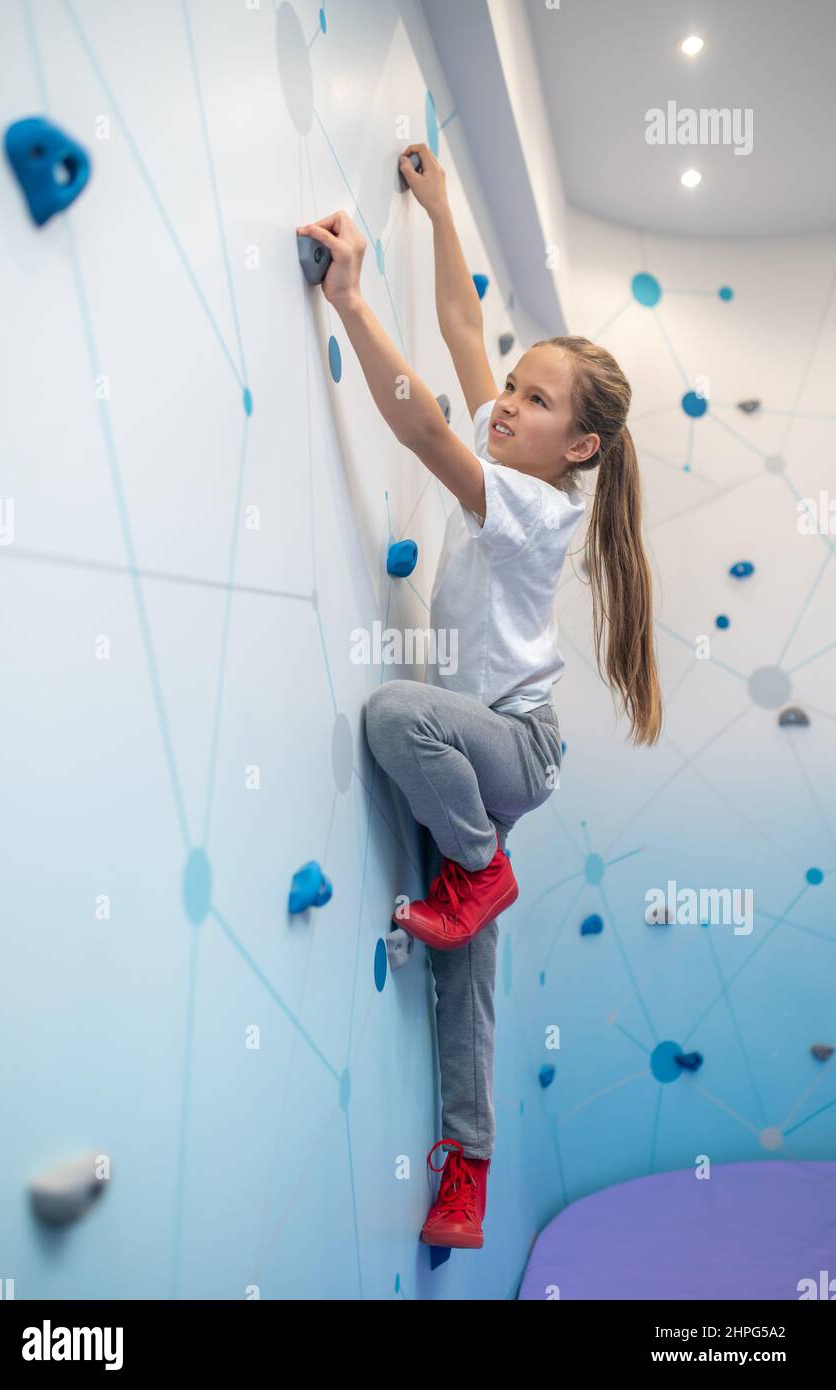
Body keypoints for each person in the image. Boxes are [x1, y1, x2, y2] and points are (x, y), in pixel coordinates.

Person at [295, 143, 662, 1249]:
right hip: (483, 763)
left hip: (512, 747)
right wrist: (443, 209)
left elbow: (419, 424)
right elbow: (464, 331)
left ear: (578, 445)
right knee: (470, 982)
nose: (505, 400)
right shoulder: (515, 472)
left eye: (534, 398)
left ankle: (480, 868)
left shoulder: (533, 510)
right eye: (512, 387)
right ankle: (467, 1174)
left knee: (391, 713)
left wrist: (351, 299)